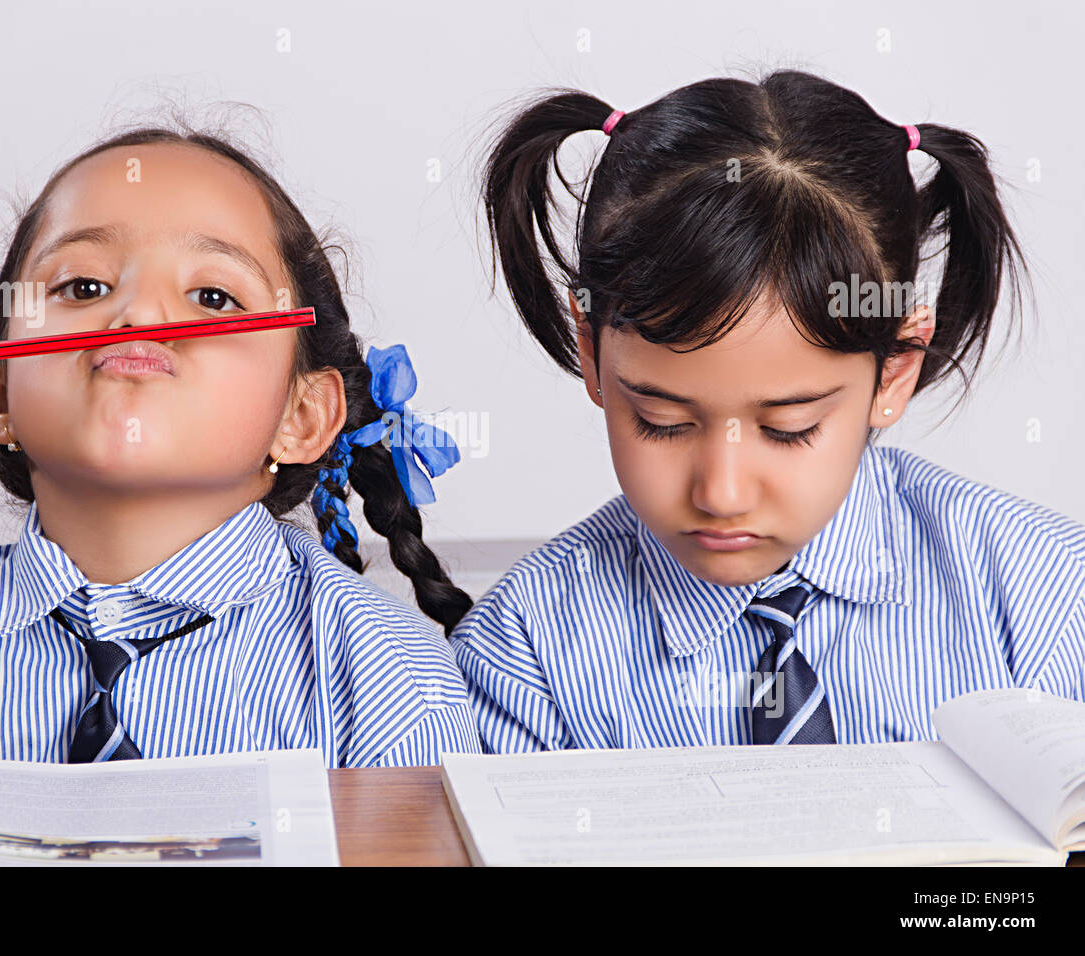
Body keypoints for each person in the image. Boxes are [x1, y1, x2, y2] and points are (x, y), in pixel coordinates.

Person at [0, 126, 480, 772]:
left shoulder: (394, 688)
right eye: (83, 286)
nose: (138, 316)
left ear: (302, 415)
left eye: (212, 295)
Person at [451, 70, 1085, 751]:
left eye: (790, 429)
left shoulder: (1044, 598)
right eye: (662, 420)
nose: (722, 493)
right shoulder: (526, 654)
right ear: (594, 354)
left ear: (895, 371)